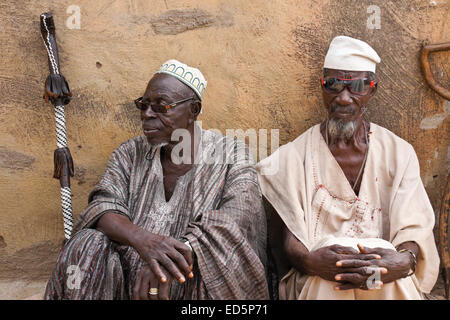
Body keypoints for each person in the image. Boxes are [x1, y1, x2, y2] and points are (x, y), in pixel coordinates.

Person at [45, 59, 269, 300]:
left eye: (162, 106)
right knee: (87, 242)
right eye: (143, 105)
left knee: (214, 254)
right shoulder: (130, 153)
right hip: (128, 283)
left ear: (193, 110)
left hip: (189, 282)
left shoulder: (231, 155)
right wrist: (146, 242)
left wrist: (173, 258)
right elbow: (102, 207)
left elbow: (239, 217)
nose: (147, 115)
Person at [256, 36, 440, 300]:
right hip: (318, 278)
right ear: (322, 87)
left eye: (356, 86)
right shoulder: (292, 158)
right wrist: (311, 262)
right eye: (333, 85)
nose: (343, 98)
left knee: (385, 268)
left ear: (372, 90)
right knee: (331, 269)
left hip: (384, 278)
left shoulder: (399, 153)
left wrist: (402, 261)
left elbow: (413, 229)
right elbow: (289, 239)